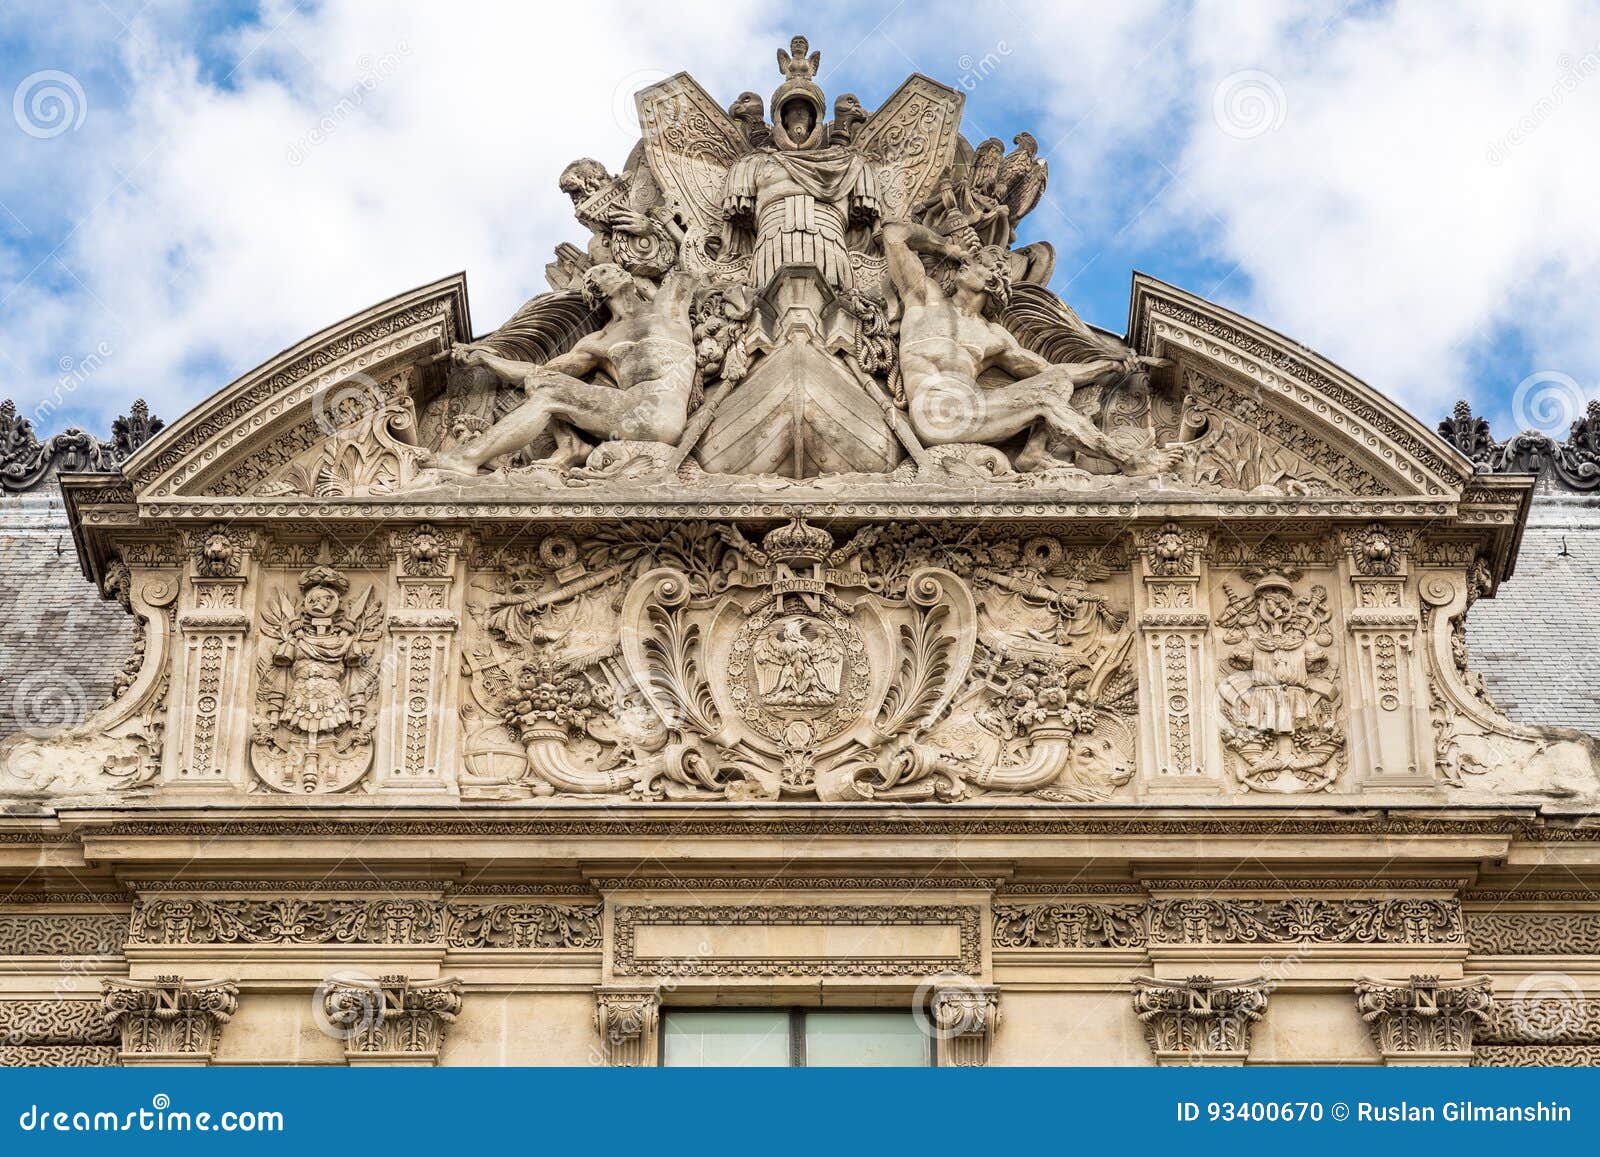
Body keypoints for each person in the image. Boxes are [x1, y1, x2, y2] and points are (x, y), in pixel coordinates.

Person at [882, 220, 1181, 474]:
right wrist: (947, 247)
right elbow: (894, 233)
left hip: (971, 409)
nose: (965, 263)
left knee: (1056, 383)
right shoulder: (924, 298)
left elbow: (1054, 373)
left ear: (993, 281)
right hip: (936, 412)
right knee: (1045, 401)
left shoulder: (993, 336)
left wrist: (1112, 364)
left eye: (978, 262)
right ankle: (1129, 461)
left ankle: (1033, 454)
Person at [429, 260, 696, 474]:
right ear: (596, 290)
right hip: (632, 413)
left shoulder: (668, 303)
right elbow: (538, 373)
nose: (615, 269)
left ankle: (469, 457)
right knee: (541, 384)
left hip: (661, 414)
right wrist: (485, 359)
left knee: (546, 388)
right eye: (603, 271)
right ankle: (567, 447)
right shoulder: (599, 340)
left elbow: (697, 269)